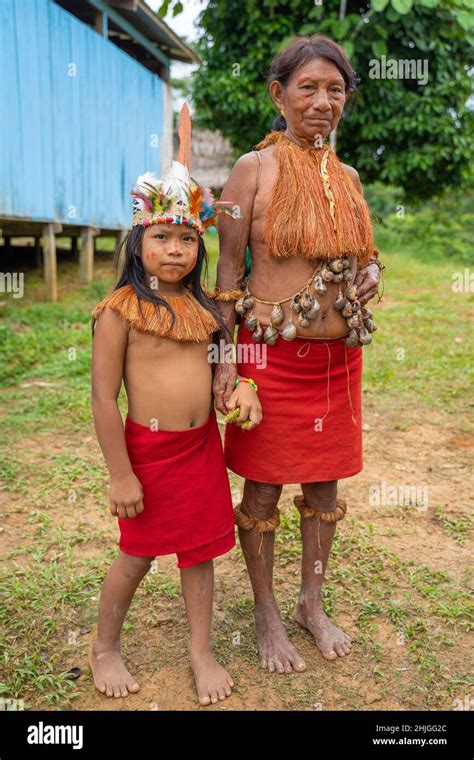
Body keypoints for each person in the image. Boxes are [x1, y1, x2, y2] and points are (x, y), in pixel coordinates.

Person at [213, 35, 385, 673]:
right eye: (307, 87)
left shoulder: (348, 178)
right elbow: (228, 273)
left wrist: (373, 277)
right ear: (277, 94)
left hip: (338, 363)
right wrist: (225, 365)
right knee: (262, 490)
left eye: (334, 89)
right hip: (270, 362)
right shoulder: (250, 171)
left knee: (324, 486)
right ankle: (266, 613)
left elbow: (363, 261)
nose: (322, 101)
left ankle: (311, 603)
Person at [88, 104, 261, 704]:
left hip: (199, 449)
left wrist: (238, 387)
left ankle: (201, 649)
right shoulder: (119, 313)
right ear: (137, 243)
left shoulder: (207, 310)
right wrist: (120, 472)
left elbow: (223, 368)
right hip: (148, 452)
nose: (176, 249)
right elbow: (104, 399)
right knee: (136, 555)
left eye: (187, 238)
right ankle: (105, 647)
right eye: (161, 236)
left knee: (199, 551)